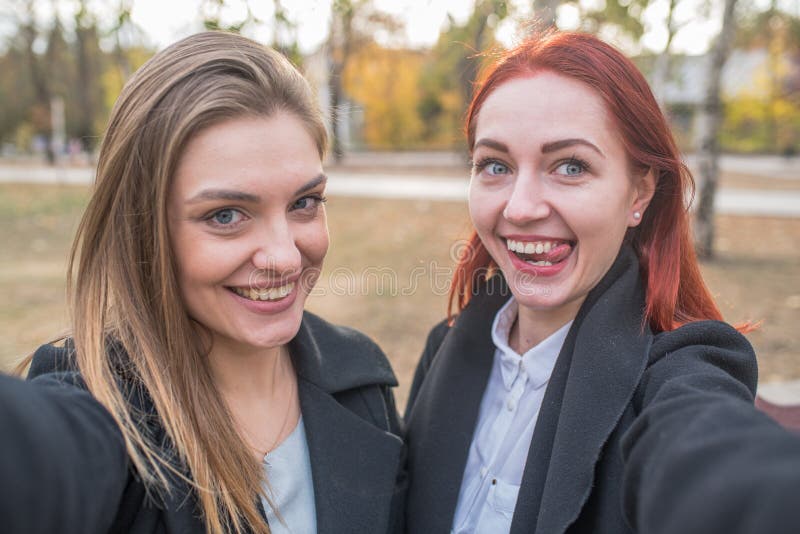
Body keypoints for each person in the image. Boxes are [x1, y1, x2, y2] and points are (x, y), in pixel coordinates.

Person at [403, 30, 799, 534]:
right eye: (495, 165)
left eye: (570, 166)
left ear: (639, 192)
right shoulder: (448, 346)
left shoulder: (676, 372)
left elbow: (710, 456)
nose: (521, 208)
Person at [22, 31, 404, 534]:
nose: (284, 257)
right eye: (226, 215)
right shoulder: (95, 411)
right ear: (143, 230)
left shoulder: (362, 384)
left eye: (304, 203)